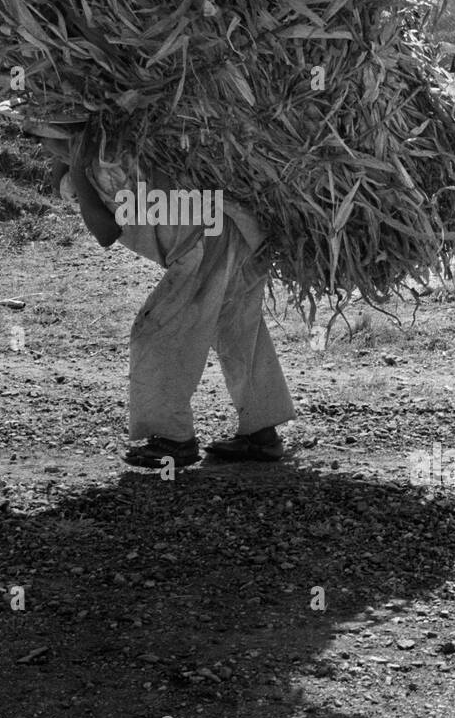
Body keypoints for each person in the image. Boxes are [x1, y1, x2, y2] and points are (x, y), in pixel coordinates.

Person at [43, 124, 295, 470]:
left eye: (43, 137)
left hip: (204, 239)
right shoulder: (100, 154)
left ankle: (172, 441)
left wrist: (75, 166)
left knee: (158, 333)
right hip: (237, 227)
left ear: (68, 138)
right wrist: (68, 161)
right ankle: (261, 435)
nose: (40, 145)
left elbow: (105, 232)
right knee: (238, 328)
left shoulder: (103, 165)